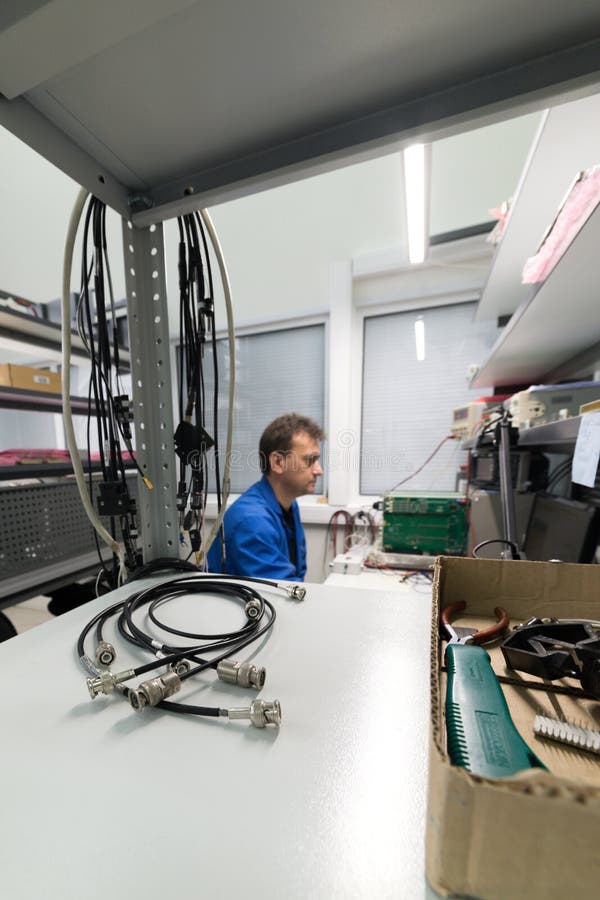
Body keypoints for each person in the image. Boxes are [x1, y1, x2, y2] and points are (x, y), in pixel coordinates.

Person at [207, 413, 325, 581]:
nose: (319, 471)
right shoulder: (252, 521)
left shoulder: (289, 504)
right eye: (309, 460)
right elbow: (281, 589)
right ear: (277, 462)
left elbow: (296, 573)